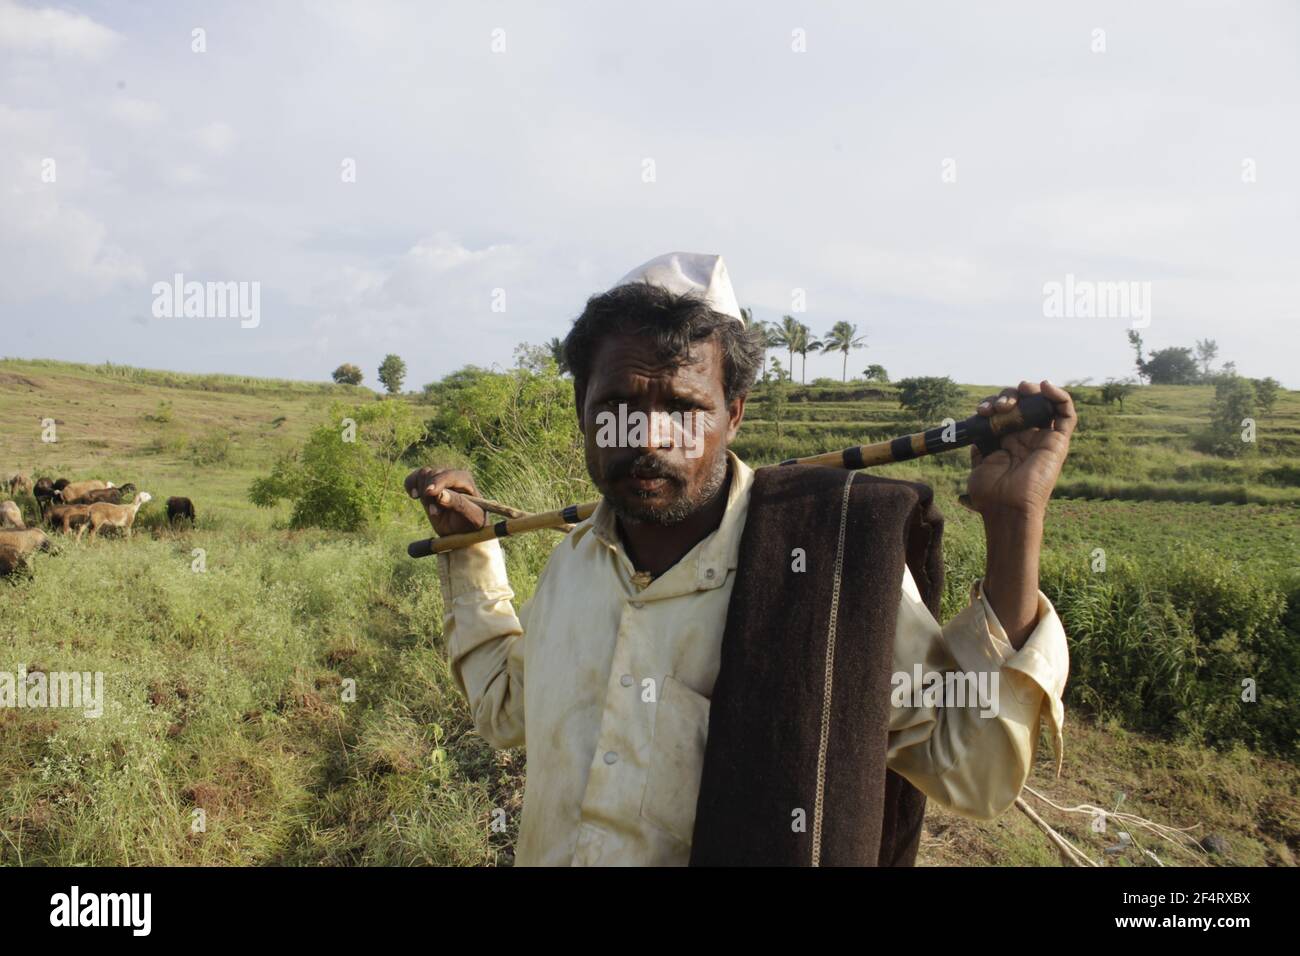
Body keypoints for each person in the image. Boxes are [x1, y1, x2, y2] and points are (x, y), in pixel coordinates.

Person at [406, 252, 1073, 866]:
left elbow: (973, 770)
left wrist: (1016, 522)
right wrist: (469, 552)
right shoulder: (571, 569)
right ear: (582, 408)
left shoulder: (827, 579)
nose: (647, 438)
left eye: (684, 408)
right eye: (615, 407)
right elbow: (505, 711)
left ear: (735, 413)